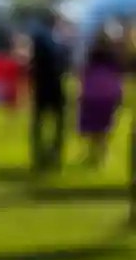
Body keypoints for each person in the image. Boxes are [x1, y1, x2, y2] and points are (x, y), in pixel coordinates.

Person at [78, 23, 125, 168]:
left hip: (92, 94)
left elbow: (84, 75)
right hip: (107, 94)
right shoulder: (114, 58)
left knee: (93, 126)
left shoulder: (91, 57)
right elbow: (117, 78)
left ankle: (94, 155)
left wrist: (82, 92)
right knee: (104, 127)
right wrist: (119, 95)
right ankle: (102, 156)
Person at [27, 16, 69, 171]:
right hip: (54, 84)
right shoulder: (57, 41)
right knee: (58, 121)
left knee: (40, 120)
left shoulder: (39, 39)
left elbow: (33, 64)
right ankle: (55, 153)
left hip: (42, 84)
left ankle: (39, 153)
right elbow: (64, 62)